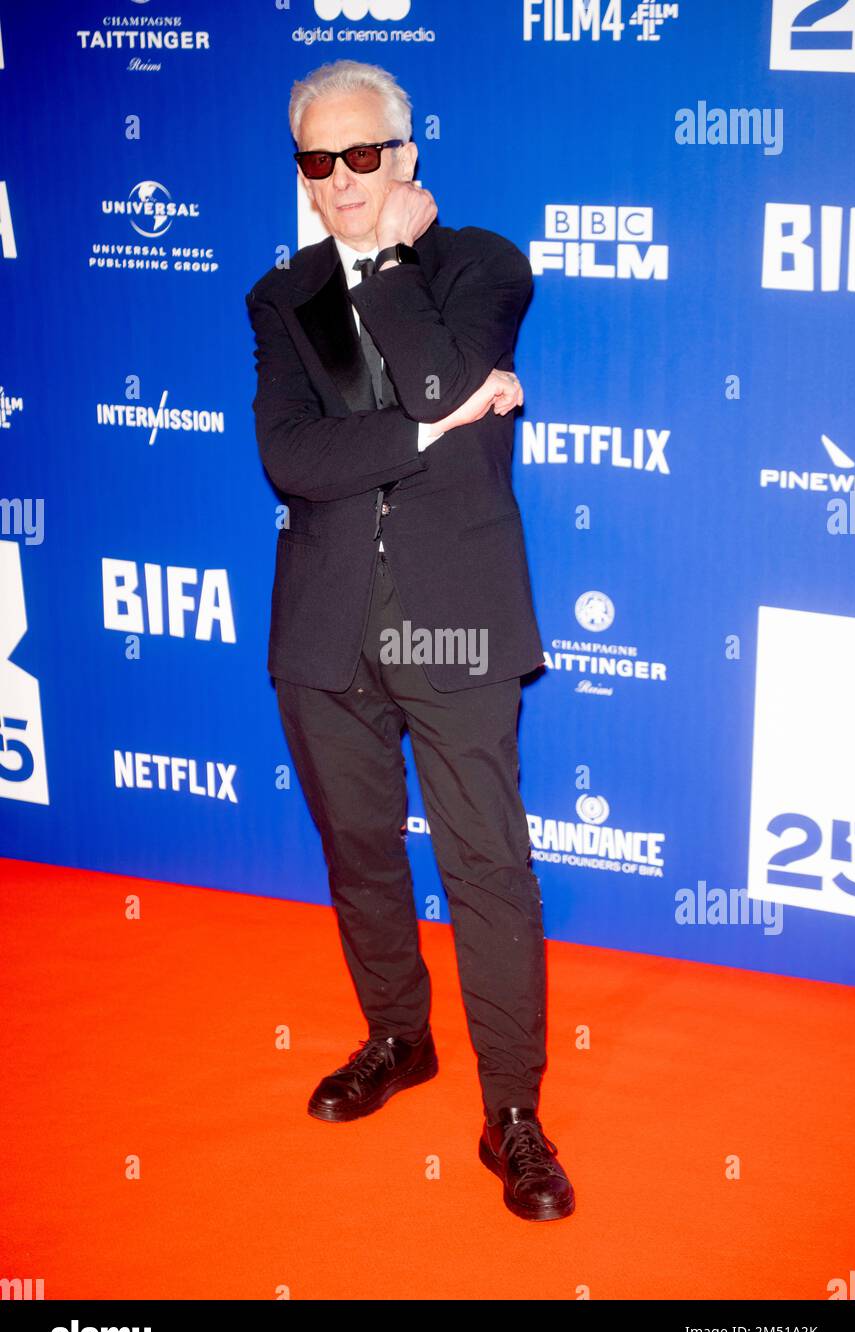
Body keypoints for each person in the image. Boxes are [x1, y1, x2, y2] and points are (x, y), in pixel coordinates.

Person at [245, 59, 574, 1222]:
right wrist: (438, 420)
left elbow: (435, 365)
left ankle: (513, 1111)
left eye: (361, 155)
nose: (339, 181)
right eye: (316, 162)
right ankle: (397, 1034)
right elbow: (293, 460)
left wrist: (388, 270)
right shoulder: (280, 298)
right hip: (323, 627)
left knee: (486, 865)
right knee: (362, 853)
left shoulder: (478, 263)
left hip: (458, 614)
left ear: (405, 156)